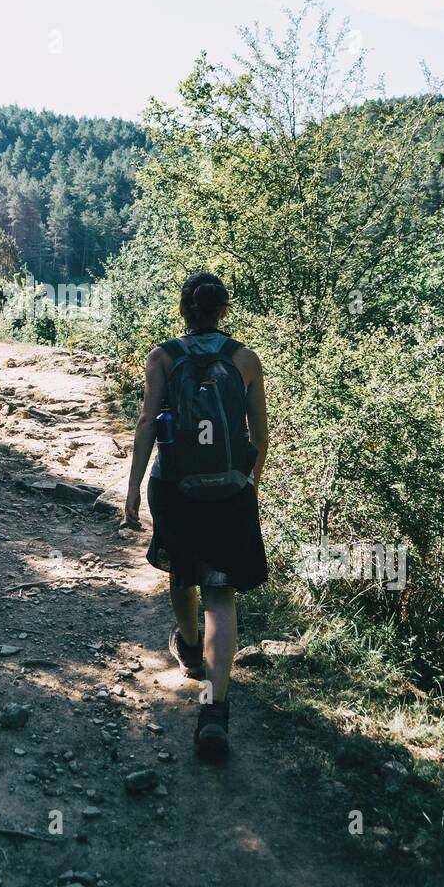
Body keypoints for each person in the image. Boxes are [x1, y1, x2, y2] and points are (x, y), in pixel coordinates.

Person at [123, 272, 268, 758]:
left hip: (175, 487)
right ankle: (214, 711)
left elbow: (147, 422)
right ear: (223, 311)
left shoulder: (162, 357)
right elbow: (259, 437)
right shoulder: (245, 360)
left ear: (183, 310)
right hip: (230, 490)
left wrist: (133, 491)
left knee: (182, 571)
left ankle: (188, 649)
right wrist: (247, 486)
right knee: (221, 591)